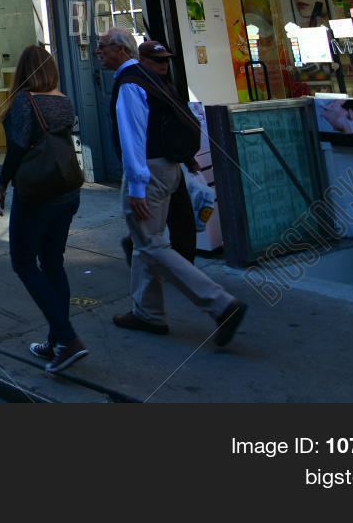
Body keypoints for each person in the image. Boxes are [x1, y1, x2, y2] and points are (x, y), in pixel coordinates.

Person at [98, 28, 247, 346]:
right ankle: (147, 313)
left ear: (121, 50)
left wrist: (137, 187)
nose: (98, 53)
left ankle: (221, 304)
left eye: (102, 48)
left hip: (148, 173)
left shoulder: (130, 83)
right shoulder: (148, 78)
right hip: (166, 169)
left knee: (151, 244)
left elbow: (133, 139)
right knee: (143, 242)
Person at [0, 45, 86, 374]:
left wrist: (1, 184)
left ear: (23, 72)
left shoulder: (25, 101)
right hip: (67, 190)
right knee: (52, 263)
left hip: (36, 193)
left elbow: (18, 147)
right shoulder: (64, 100)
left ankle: (67, 338)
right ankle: (56, 342)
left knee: (23, 262)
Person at [126, 40, 201, 266]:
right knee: (155, 223)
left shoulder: (166, 85)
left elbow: (177, 125)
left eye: (166, 60)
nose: (164, 64)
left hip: (170, 162)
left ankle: (182, 263)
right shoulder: (139, 87)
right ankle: (175, 265)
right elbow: (133, 134)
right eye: (158, 60)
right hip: (153, 164)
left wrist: (188, 159)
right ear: (143, 61)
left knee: (179, 221)